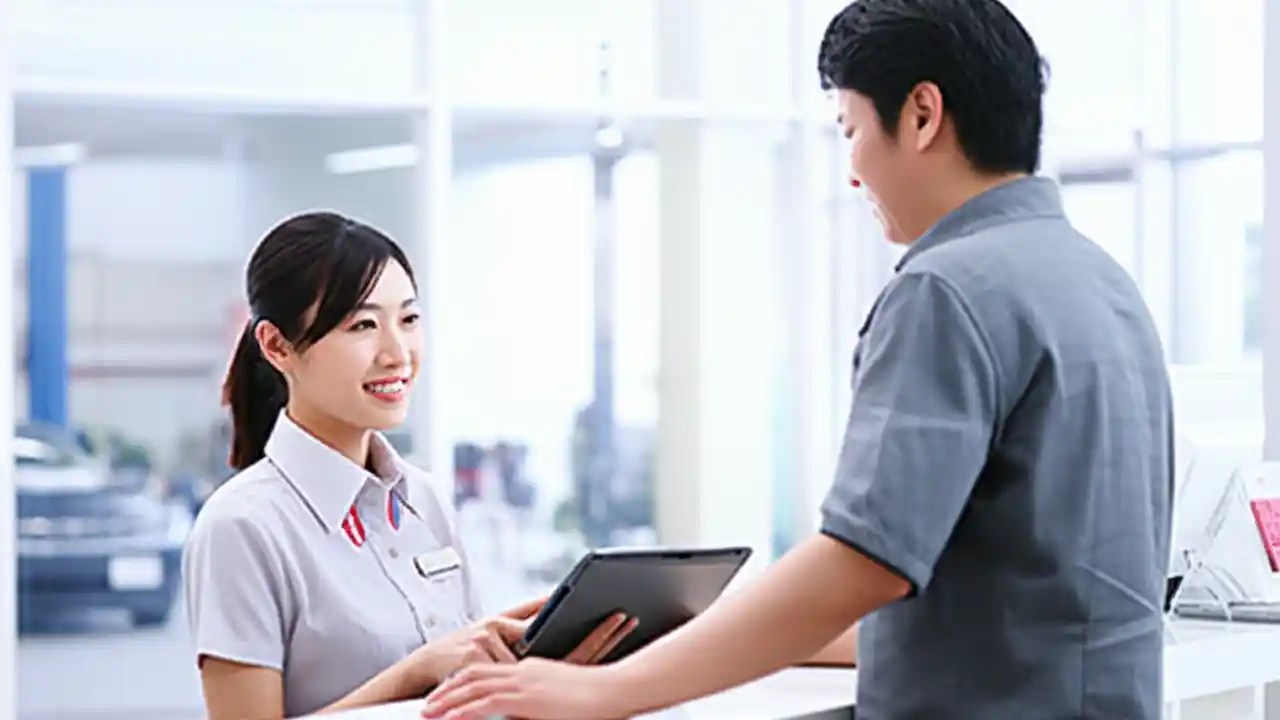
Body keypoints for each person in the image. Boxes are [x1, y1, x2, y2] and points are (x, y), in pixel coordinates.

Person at [421, 1, 1174, 718]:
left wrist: (605, 692)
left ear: (921, 114)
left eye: (851, 130)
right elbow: (1003, 593)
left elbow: (865, 562)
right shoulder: (1102, 282)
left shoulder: (945, 289)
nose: (851, 172)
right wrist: (676, 645)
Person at [181, 211, 637, 720]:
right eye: (363, 325)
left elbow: (467, 694)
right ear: (276, 346)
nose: (397, 354)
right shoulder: (241, 526)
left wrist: (529, 675)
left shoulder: (425, 498)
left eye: (409, 320)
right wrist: (416, 673)